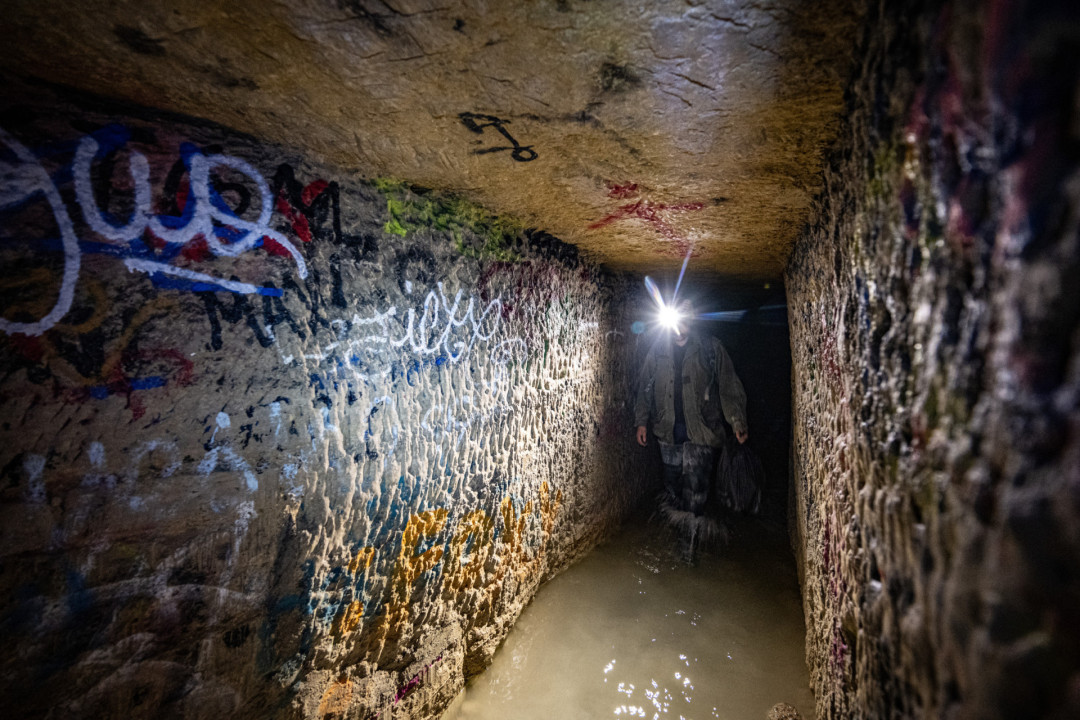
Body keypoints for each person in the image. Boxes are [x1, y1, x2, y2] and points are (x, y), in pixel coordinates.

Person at [634, 299, 749, 560]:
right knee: (673, 491)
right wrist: (641, 421)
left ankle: (689, 553)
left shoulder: (710, 348)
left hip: (702, 435)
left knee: (695, 495)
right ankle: (680, 542)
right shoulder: (658, 350)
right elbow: (645, 388)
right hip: (668, 434)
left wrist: (737, 422)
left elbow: (729, 387)